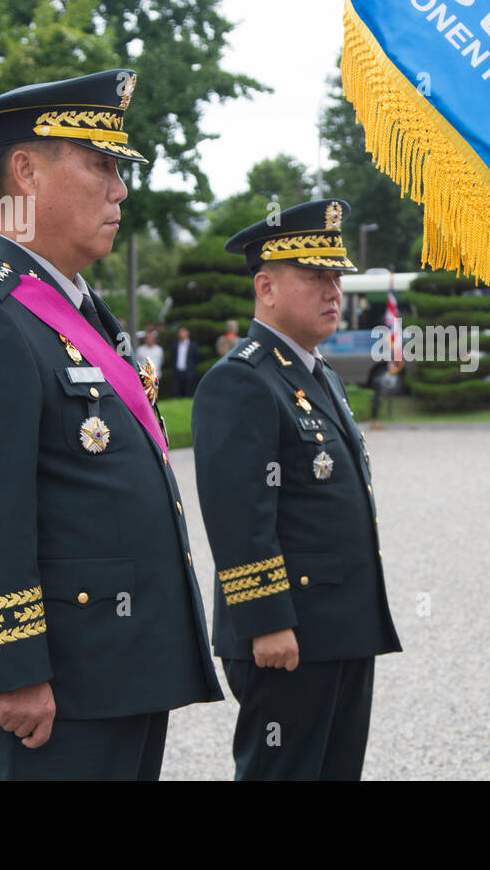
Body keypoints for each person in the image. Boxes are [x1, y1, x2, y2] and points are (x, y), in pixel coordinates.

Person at [0, 68, 223, 780]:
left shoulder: (83, 315)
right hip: (51, 688)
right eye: (101, 166)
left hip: (116, 671)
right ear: (26, 172)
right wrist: (13, 669)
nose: (119, 190)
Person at [192, 199, 400, 780]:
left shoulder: (318, 374)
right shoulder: (243, 379)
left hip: (341, 625)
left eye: (336, 277)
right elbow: (239, 518)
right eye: (314, 277)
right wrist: (264, 621)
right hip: (289, 631)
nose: (332, 291)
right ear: (267, 286)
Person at [170, 326, 198, 398]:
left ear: (187, 333)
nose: (181, 334)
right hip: (177, 372)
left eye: (183, 331)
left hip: (188, 372)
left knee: (188, 393)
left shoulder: (193, 345)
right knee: (175, 393)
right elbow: (172, 357)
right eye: (180, 332)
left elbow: (196, 358)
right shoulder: (174, 345)